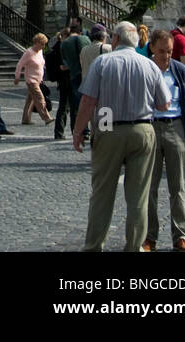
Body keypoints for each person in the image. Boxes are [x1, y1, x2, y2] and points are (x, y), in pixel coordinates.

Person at [73, 21, 171, 253]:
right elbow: (164, 104)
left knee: (102, 193)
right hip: (143, 128)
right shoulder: (149, 65)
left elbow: (88, 101)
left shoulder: (103, 63)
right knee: (139, 197)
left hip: (108, 125)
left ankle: (94, 246)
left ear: (115, 39)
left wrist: (78, 131)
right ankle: (134, 247)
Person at [142, 29, 185, 253]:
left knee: (178, 187)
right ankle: (150, 237)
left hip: (176, 126)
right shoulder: (145, 69)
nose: (166, 55)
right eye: (162, 51)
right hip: (152, 127)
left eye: (170, 51)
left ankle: (180, 236)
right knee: (150, 186)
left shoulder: (179, 70)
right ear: (153, 48)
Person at [15, 33, 52, 125]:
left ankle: (25, 119)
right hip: (31, 80)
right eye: (42, 44)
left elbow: (41, 65)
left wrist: (42, 77)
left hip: (38, 80)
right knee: (40, 98)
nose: (43, 46)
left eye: (44, 44)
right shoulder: (29, 52)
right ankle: (46, 117)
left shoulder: (40, 52)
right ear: (36, 42)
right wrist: (17, 76)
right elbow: (20, 64)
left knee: (30, 99)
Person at [61, 20, 90, 125]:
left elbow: (64, 61)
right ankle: (87, 127)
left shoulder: (65, 43)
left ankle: (80, 127)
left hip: (73, 74)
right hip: (86, 73)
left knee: (77, 103)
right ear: (80, 32)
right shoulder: (85, 39)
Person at [45, 28, 72, 140]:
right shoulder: (62, 48)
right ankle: (59, 132)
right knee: (65, 107)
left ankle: (59, 132)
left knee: (64, 107)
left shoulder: (58, 47)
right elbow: (63, 66)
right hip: (66, 80)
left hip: (62, 81)